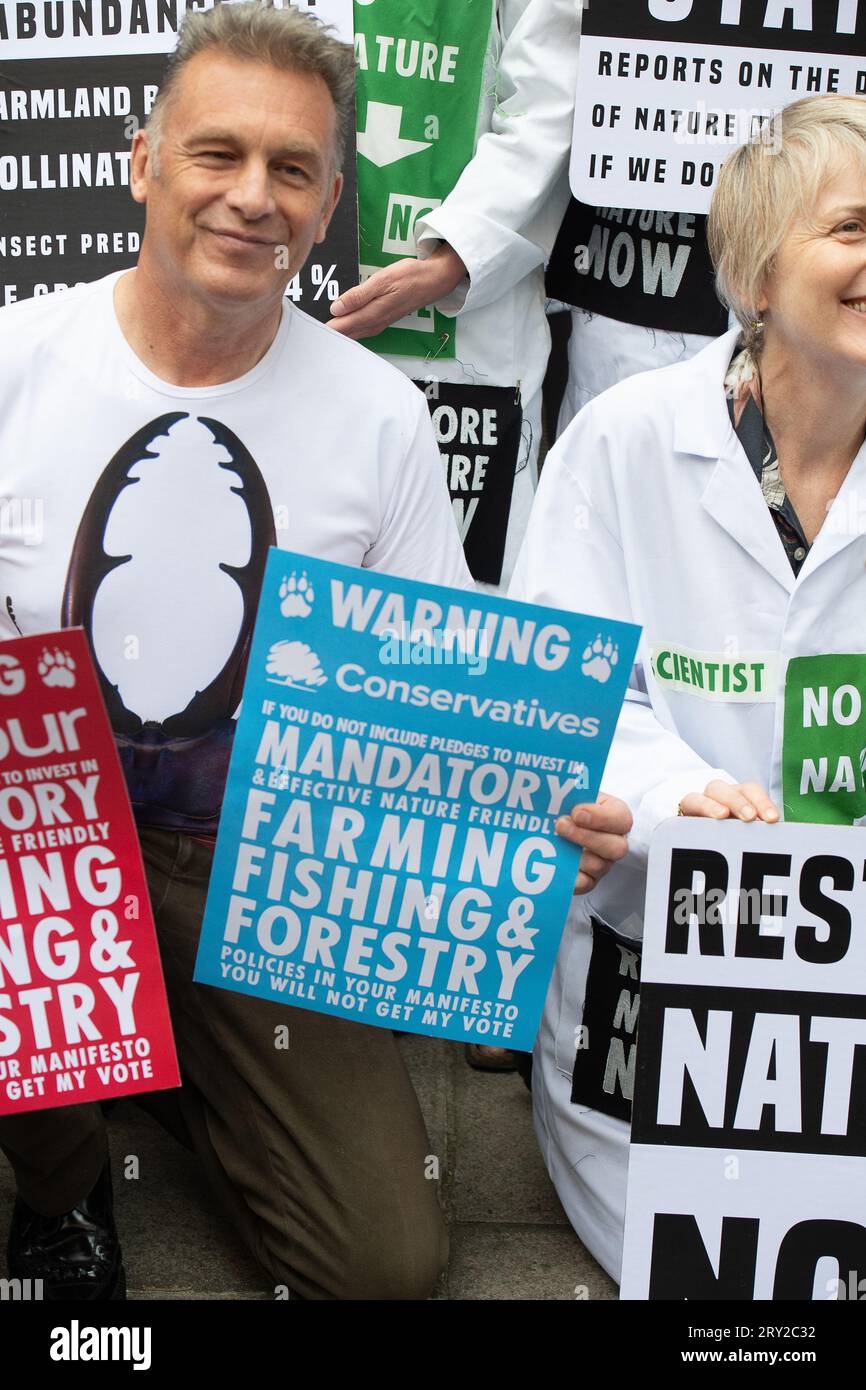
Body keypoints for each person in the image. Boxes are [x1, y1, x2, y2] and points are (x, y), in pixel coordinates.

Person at [0, 1, 474, 1302]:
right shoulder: (17, 366)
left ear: (329, 206)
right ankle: (61, 1174)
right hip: (41, 826)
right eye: (217, 154)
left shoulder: (376, 416)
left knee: (380, 1265)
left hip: (266, 850)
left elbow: (439, 686)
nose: (251, 197)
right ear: (143, 161)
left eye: (293, 169)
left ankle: (160, 1062)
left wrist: (538, 801)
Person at [510, 94, 866, 1282]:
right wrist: (678, 801)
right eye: (852, 229)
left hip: (846, 968)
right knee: (729, 1270)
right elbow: (567, 693)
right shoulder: (622, 441)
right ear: (758, 274)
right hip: (649, 967)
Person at [330, 0, 580, 593]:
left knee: (456, 621)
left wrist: (455, 256)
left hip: (467, 323)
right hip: (285, 287)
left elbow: (550, 97)